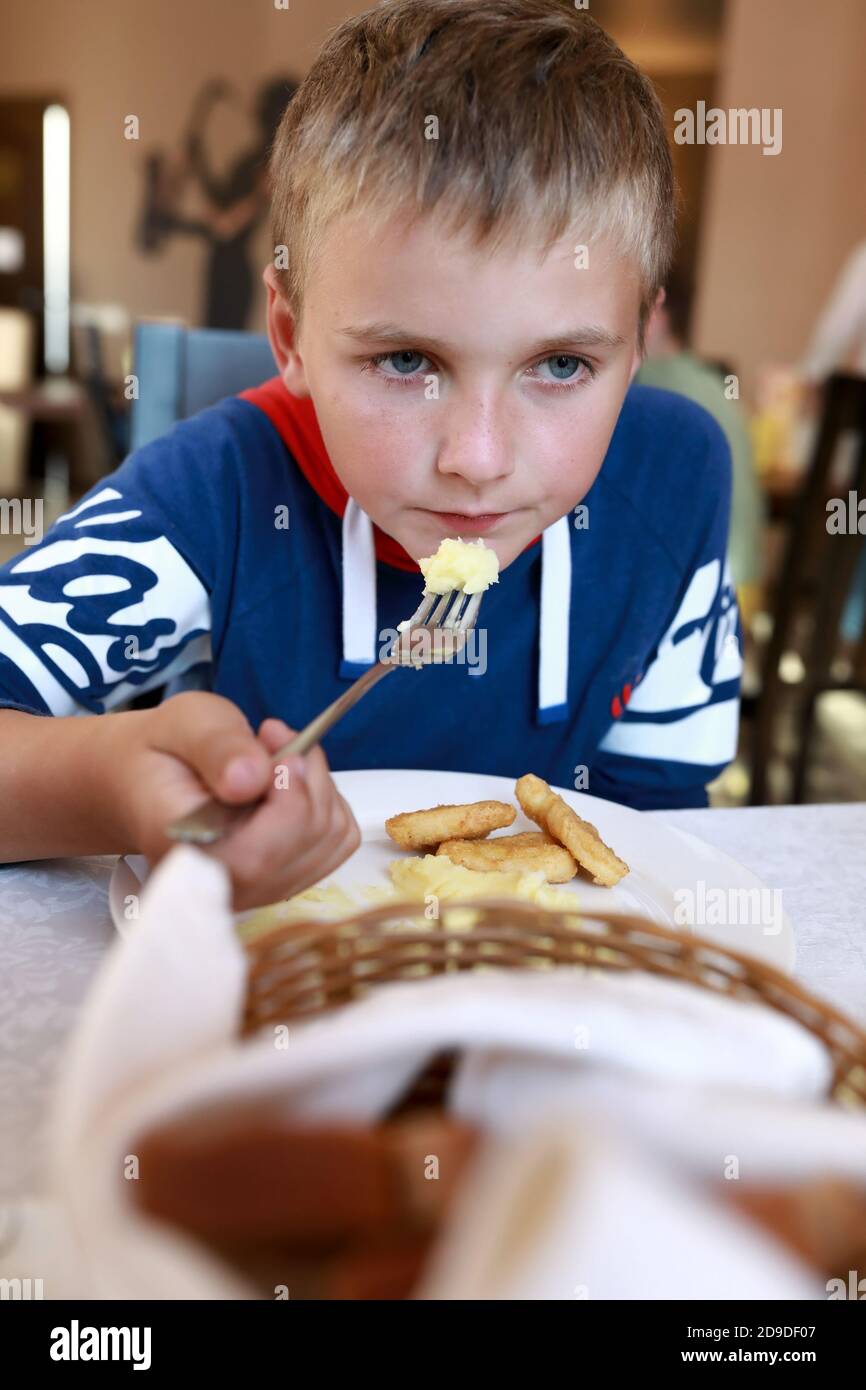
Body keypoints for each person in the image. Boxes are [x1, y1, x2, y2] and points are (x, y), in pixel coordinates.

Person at [0, 0, 742, 910]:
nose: (477, 456)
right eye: (405, 360)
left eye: (561, 364)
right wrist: (109, 785)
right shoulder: (215, 498)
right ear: (291, 337)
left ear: (638, 345)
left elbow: (658, 833)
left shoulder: (673, 484)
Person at [636, 272, 766, 626]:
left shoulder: (652, 383)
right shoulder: (709, 379)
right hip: (747, 582)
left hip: (702, 595)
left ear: (656, 313)